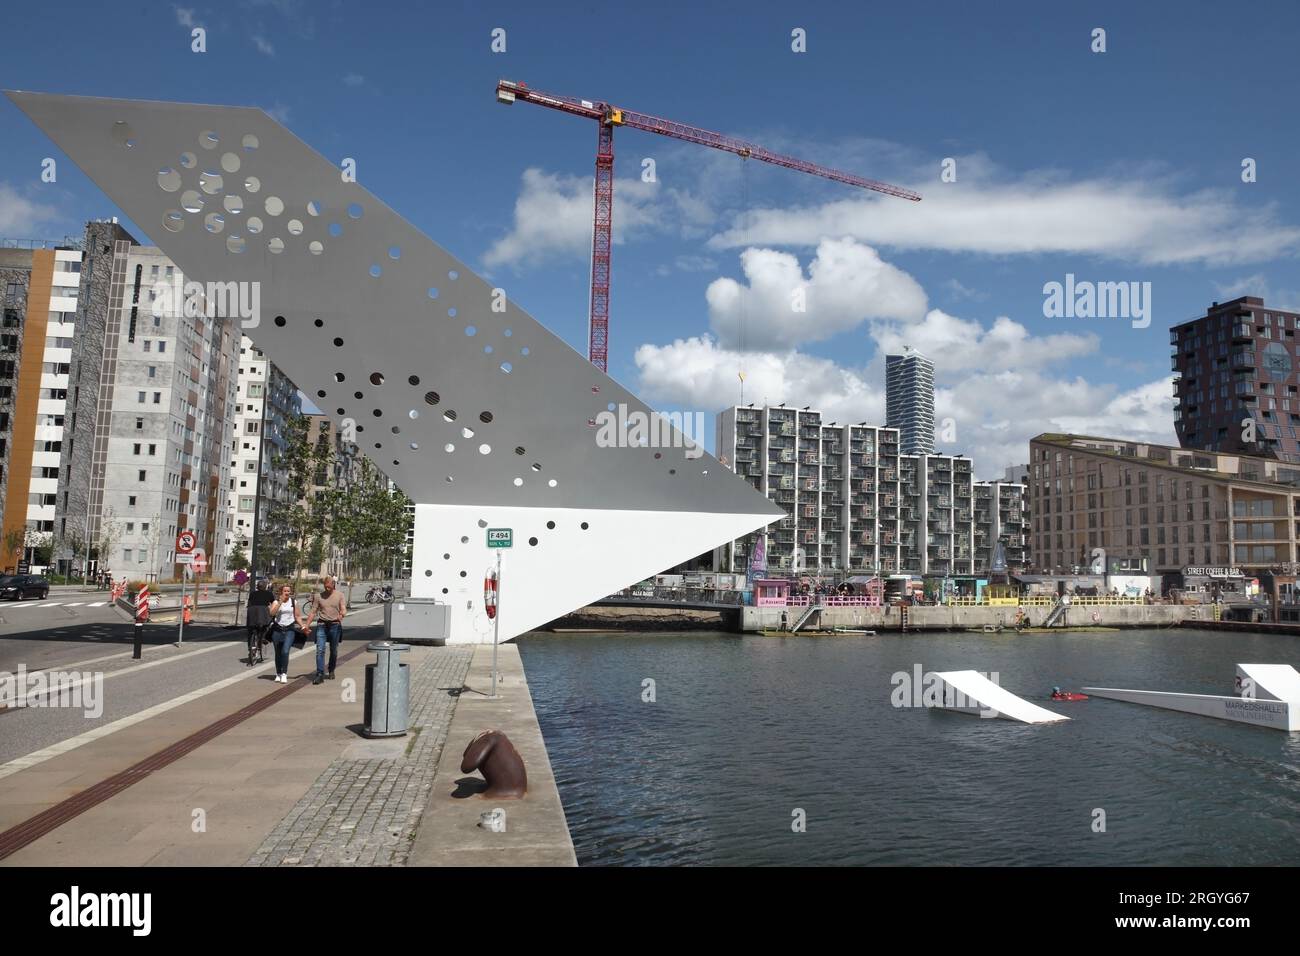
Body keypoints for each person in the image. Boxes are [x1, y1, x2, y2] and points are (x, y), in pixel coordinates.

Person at [304, 574, 347, 685]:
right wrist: (306, 625)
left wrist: (342, 615)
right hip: (322, 625)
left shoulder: (340, 595)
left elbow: (343, 609)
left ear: (333, 585)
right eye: (325, 586)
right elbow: (313, 612)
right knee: (320, 650)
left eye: (329, 586)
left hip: (335, 625)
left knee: (334, 650)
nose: (327, 588)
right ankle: (320, 674)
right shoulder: (318, 596)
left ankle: (331, 669)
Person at [268, 584, 306, 683]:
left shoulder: (294, 602)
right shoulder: (276, 602)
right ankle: (278, 673)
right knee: (278, 653)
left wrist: (303, 626)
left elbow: (297, 616)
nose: (287, 593)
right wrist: (280, 602)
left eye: (288, 591)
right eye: (285, 591)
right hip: (277, 630)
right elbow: (272, 613)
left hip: (289, 629)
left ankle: (284, 673)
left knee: (285, 651)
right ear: (281, 592)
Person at [245, 578, 274, 667]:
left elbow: (249, 603)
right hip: (263, 611)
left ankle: (250, 647)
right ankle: (264, 637)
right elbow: (274, 603)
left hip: (252, 611)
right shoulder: (269, 593)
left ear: (257, 587)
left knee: (251, 629)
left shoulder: (252, 593)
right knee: (268, 623)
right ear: (265, 587)